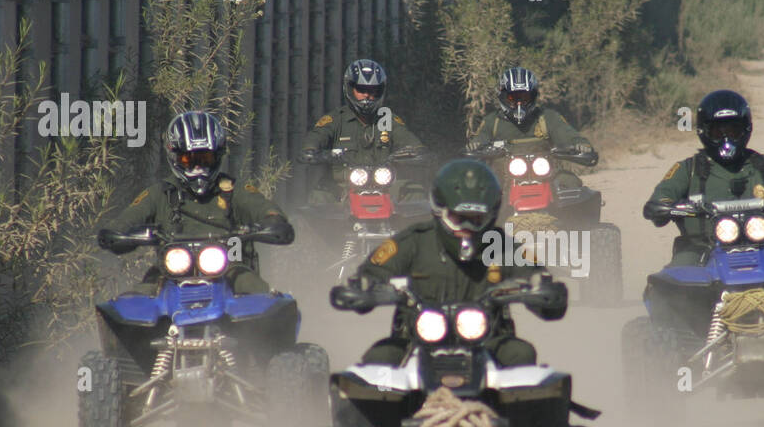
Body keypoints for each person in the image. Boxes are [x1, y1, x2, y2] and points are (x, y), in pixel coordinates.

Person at [341, 159, 565, 366]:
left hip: (490, 342)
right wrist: (363, 286)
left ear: (492, 215)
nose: (467, 228)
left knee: (523, 357)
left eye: (477, 220)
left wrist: (544, 291)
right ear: (440, 211)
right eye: (458, 219)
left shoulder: (502, 244)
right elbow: (373, 271)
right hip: (414, 342)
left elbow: (535, 275)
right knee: (376, 362)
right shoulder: (415, 240)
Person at [97, 110, 294, 294]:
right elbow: (124, 221)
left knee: (256, 290)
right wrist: (116, 233)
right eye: (188, 160)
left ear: (217, 156)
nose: (198, 167)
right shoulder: (160, 193)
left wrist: (273, 223)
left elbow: (265, 209)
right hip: (170, 274)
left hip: (230, 271)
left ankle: (265, 329)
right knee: (132, 303)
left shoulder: (233, 190)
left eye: (205, 158)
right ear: (174, 157)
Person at [643, 89, 764, 266]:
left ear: (746, 129)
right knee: (682, 265)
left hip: (763, 244)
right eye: (717, 132)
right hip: (702, 250)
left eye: (733, 131)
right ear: (703, 132)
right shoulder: (687, 169)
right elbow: (662, 196)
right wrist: (663, 206)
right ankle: (671, 296)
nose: (726, 139)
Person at [299, 58, 426, 203]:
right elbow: (316, 137)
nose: (367, 95)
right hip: (342, 187)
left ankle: (410, 226)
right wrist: (311, 151)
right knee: (319, 197)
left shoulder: (386, 118)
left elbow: (407, 138)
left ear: (380, 91)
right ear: (350, 89)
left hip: (385, 186)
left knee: (415, 192)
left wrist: (419, 152)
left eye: (373, 90)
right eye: (361, 89)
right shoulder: (335, 119)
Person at [464, 66, 595, 190]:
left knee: (571, 183)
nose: (519, 103)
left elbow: (569, 136)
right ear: (503, 97)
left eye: (524, 97)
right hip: (503, 182)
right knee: (479, 190)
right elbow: (480, 139)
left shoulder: (548, 117)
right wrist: (475, 146)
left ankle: (574, 214)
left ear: (533, 96)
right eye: (513, 98)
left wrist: (581, 145)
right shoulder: (492, 121)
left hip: (547, 176)